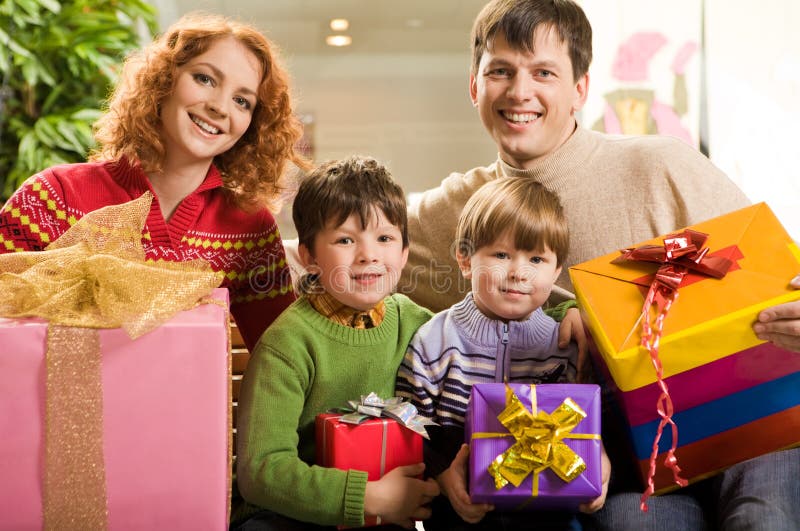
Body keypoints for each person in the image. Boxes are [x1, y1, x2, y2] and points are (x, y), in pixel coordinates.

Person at [400, 0, 800, 529]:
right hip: (635, 464)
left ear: (580, 90)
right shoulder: (454, 211)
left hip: (750, 420)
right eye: (500, 71)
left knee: (764, 518)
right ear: (474, 86)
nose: (520, 92)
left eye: (544, 72)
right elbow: (327, 251)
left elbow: (774, 271)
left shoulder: (661, 163)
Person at [0, 13, 307, 351]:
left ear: (253, 124)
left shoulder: (250, 228)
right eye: (205, 78)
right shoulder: (51, 197)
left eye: (242, 101)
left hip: (190, 404)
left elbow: (283, 355)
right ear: (164, 80)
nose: (220, 106)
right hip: (63, 401)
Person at [232, 155, 440, 530]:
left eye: (385, 238)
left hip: (387, 510)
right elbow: (261, 471)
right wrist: (370, 497)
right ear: (309, 256)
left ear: (404, 252)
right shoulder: (288, 344)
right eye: (345, 239)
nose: (369, 255)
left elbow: (480, 328)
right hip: (290, 515)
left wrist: (566, 312)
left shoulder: (413, 322)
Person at [397, 177, 610, 530]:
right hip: (463, 512)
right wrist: (441, 479)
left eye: (537, 258)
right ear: (465, 260)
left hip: (552, 514)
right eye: (501, 254)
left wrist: (601, 467)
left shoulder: (567, 346)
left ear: (557, 270)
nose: (518, 272)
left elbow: (594, 432)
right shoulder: (434, 341)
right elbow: (409, 426)